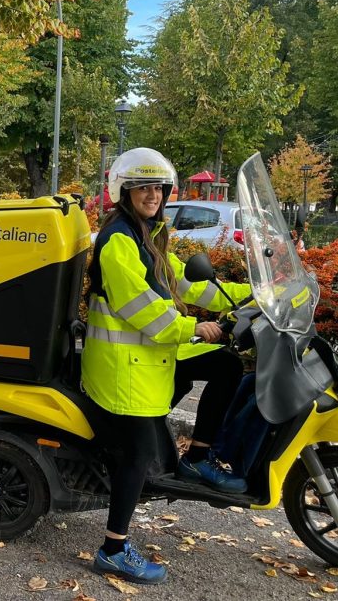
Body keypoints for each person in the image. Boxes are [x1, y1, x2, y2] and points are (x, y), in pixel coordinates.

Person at [81, 147, 247, 584]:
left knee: (227, 366)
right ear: (125, 192)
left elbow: (184, 281)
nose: (152, 194)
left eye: (158, 187)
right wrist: (194, 329)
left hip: (148, 355)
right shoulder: (118, 239)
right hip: (123, 367)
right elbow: (144, 312)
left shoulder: (147, 234)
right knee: (140, 455)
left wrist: (247, 297)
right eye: (143, 187)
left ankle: (198, 458)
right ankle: (113, 548)